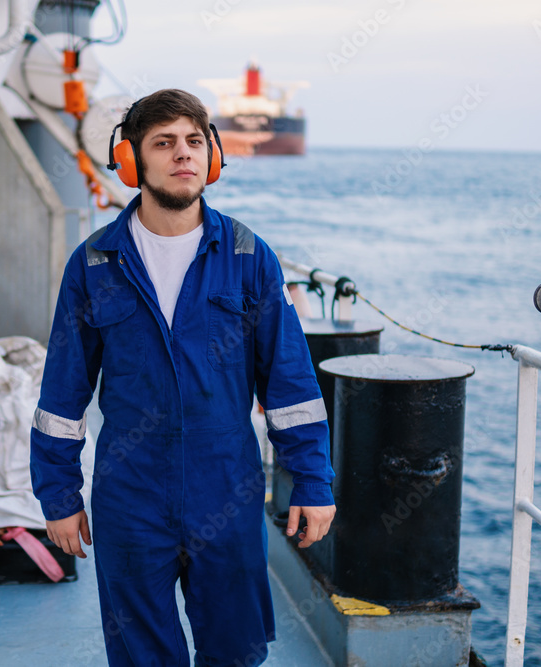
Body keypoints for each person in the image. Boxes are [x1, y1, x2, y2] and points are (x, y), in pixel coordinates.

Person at [30, 88, 335, 667]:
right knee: (142, 655)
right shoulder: (94, 264)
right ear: (132, 161)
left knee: (235, 650)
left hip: (227, 488)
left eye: (194, 141)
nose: (182, 155)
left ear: (212, 157)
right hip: (130, 495)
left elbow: (291, 385)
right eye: (163, 143)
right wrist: (59, 495)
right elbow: (62, 397)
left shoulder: (249, 257)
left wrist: (313, 481)